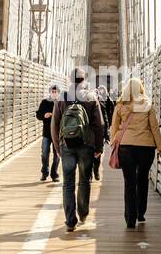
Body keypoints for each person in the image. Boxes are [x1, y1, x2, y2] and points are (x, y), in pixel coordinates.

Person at [109, 76, 161, 229]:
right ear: (141, 89)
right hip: (146, 148)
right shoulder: (147, 105)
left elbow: (114, 127)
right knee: (142, 179)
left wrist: (113, 141)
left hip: (126, 148)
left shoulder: (121, 105)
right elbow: (154, 128)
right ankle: (141, 212)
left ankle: (130, 219)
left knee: (129, 182)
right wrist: (160, 148)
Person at [51, 68, 105, 232]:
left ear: (70, 79)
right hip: (86, 145)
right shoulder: (90, 97)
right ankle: (83, 213)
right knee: (84, 180)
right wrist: (99, 147)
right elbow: (99, 124)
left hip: (66, 145)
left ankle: (70, 220)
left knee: (68, 182)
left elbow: (55, 124)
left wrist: (57, 146)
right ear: (84, 79)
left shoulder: (62, 97)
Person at [35, 85, 60, 182]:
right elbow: (38, 114)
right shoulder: (44, 102)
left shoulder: (61, 103)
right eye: (52, 91)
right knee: (44, 154)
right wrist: (44, 115)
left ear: (58, 93)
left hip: (57, 134)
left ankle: (54, 174)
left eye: (56, 91)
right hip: (46, 133)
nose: (54, 93)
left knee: (57, 154)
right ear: (50, 92)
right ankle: (44, 172)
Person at [93, 85, 112, 181]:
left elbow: (105, 119)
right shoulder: (86, 104)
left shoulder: (102, 105)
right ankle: (89, 175)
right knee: (88, 155)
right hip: (89, 135)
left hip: (99, 134)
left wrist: (107, 135)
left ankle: (96, 170)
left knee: (98, 154)